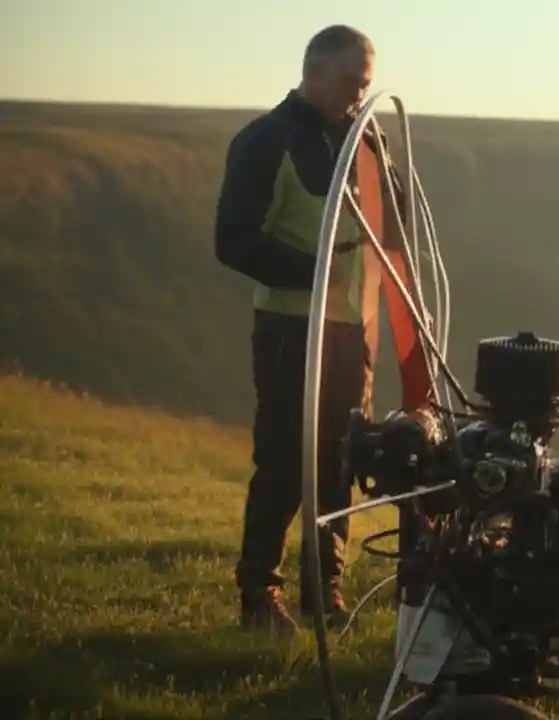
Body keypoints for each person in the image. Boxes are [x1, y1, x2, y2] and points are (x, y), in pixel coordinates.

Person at [214, 24, 403, 636]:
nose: (359, 95)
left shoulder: (359, 141)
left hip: (352, 331)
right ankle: (258, 597)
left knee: (340, 462)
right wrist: (315, 273)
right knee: (284, 463)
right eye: (352, 82)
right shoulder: (265, 140)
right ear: (315, 71)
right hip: (290, 330)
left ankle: (325, 590)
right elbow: (233, 241)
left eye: (366, 86)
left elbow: (392, 229)